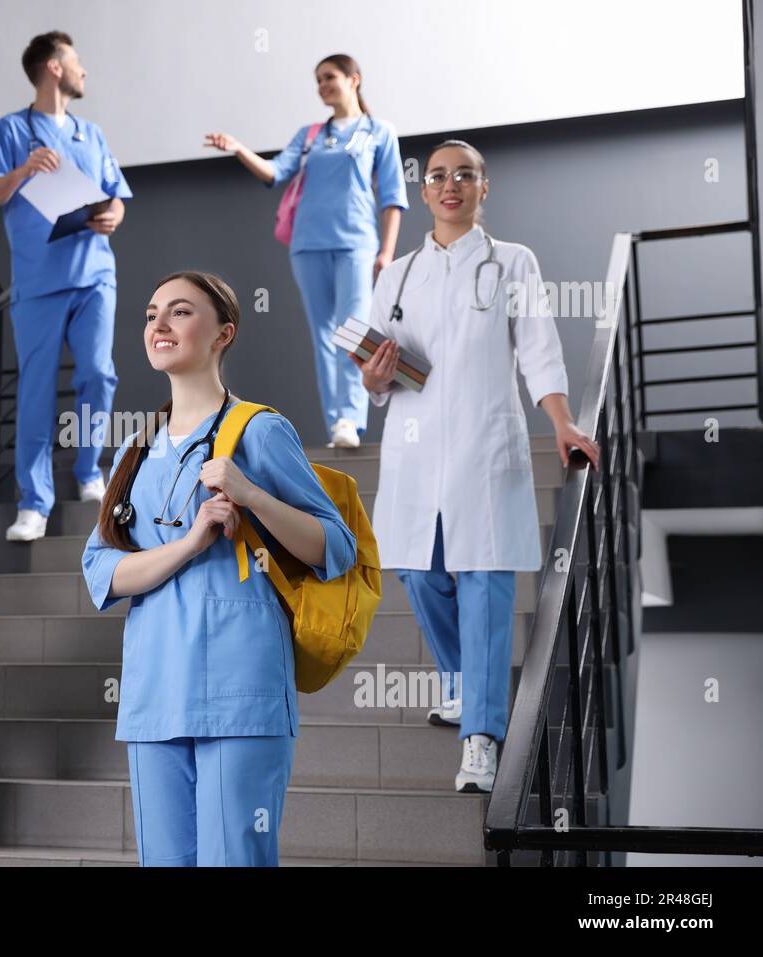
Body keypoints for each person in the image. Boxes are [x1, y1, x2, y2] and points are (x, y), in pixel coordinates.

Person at [80, 271, 357, 866]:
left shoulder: (259, 430)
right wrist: (190, 543)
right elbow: (103, 572)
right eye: (152, 314)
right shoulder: (138, 448)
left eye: (180, 313)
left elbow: (335, 546)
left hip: (241, 688)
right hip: (155, 692)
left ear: (223, 333)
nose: (159, 325)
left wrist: (252, 495)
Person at [356, 140, 601, 793]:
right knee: (418, 571)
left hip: (484, 450)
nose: (450, 184)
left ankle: (482, 739)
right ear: (424, 190)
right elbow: (374, 368)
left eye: (464, 174)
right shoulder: (397, 274)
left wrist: (561, 420)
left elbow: (539, 349)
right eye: (438, 175)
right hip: (414, 448)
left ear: (483, 187)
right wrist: (375, 377)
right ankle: (467, 685)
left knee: (486, 588)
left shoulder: (512, 262)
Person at [204, 53, 407, 449]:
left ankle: (351, 416)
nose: (323, 86)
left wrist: (387, 252)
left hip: (356, 242)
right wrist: (239, 149)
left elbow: (393, 197)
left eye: (330, 77)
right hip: (308, 245)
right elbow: (275, 172)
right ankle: (337, 423)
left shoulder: (379, 131)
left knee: (353, 328)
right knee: (324, 334)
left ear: (354, 79)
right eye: (318, 80)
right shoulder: (311, 134)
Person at [0, 30, 133, 541]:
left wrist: (113, 215)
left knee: (97, 373)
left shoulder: (93, 134)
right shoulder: (11, 129)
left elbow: (117, 198)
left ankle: (90, 473)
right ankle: (34, 503)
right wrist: (24, 170)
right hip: (40, 283)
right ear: (53, 68)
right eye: (76, 60)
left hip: (94, 275)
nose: (83, 69)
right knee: (37, 392)